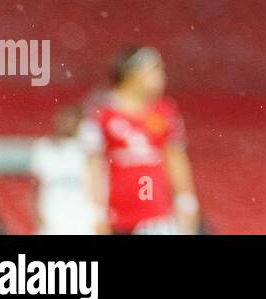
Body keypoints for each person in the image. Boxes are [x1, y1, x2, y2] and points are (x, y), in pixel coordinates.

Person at [80, 46, 201, 234]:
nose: (162, 76)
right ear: (132, 74)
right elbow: (93, 166)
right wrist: (96, 212)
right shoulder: (101, 115)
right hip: (116, 218)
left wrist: (186, 199)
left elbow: (175, 158)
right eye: (155, 69)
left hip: (156, 217)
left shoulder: (165, 112)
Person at [29, 105, 98, 235]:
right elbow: (35, 184)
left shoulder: (88, 151)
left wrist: (96, 214)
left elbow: (96, 183)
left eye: (73, 120)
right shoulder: (44, 147)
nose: (68, 124)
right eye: (66, 119)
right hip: (51, 212)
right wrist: (36, 213)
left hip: (81, 214)